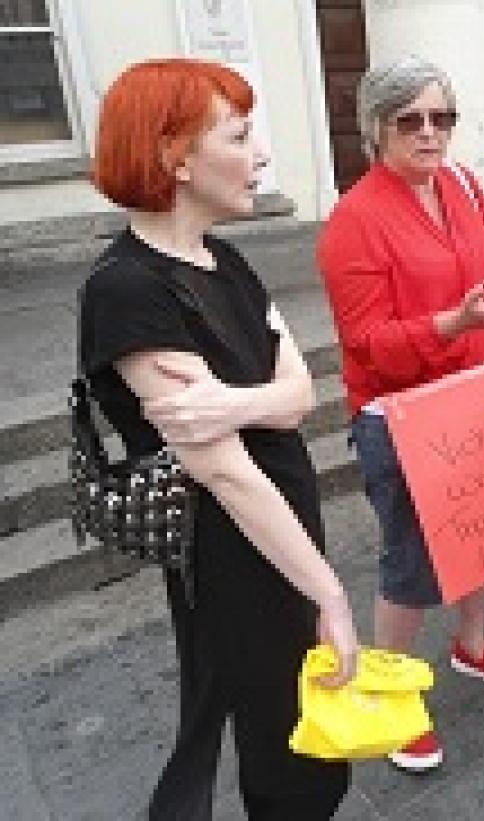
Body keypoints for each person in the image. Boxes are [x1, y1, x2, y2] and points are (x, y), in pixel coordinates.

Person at [79, 59, 357, 819]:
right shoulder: (128, 289)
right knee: (288, 743)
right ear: (175, 156)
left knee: (300, 721)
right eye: (238, 137)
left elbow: (300, 395)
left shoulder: (221, 257)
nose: (260, 154)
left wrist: (237, 402)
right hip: (234, 548)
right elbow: (225, 473)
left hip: (283, 519)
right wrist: (330, 592)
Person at [317, 56, 484, 773]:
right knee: (410, 563)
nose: (429, 132)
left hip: (479, 397)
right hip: (403, 416)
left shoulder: (464, 185)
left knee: (481, 534)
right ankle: (387, 696)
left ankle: (471, 644)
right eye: (409, 119)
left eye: (441, 117)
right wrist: (452, 324)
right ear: (375, 128)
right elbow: (367, 344)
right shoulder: (353, 221)